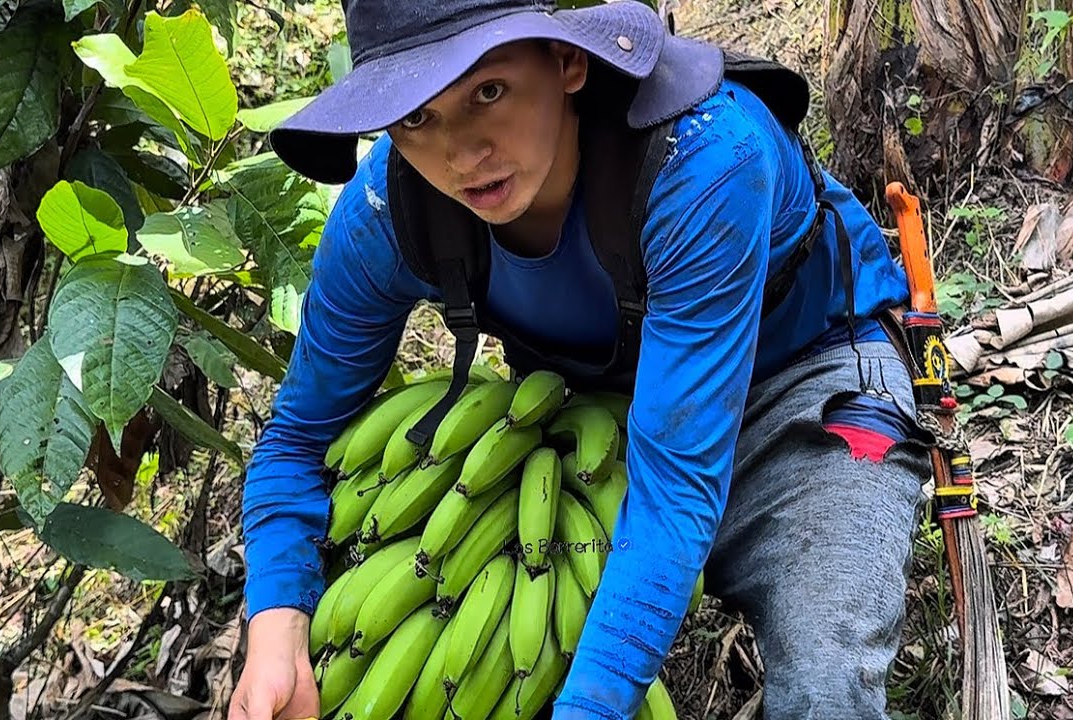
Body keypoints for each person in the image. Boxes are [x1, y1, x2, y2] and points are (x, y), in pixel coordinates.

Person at [228, 1, 934, 718]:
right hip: (594, 420)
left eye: (488, 92)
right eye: (415, 118)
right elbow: (298, 435)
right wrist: (275, 631)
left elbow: (676, 488)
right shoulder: (388, 209)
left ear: (567, 62)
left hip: (801, 384)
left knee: (827, 684)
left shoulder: (706, 157)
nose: (462, 154)